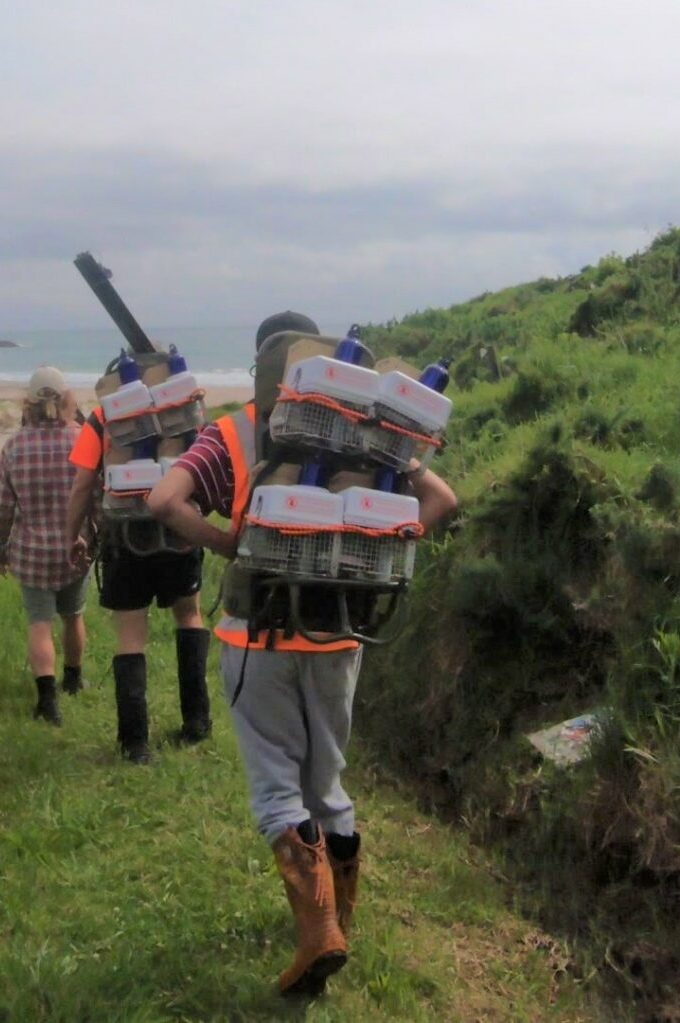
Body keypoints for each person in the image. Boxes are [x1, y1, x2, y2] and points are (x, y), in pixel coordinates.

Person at [145, 311, 459, 999]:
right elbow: (441, 498)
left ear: (267, 366)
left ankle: (319, 933)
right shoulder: (366, 435)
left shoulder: (232, 433)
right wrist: (366, 553)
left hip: (256, 634)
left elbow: (164, 499)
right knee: (329, 783)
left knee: (276, 788)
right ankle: (339, 916)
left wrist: (232, 544)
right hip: (342, 634)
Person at [64, 389, 211, 765]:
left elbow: (82, 485)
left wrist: (72, 535)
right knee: (190, 616)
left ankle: (135, 745)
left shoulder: (104, 416)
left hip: (125, 539)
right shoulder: (186, 408)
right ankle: (197, 722)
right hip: (179, 533)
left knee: (131, 636)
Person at [0, 365, 92, 724]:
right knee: (74, 616)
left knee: (39, 623)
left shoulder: (15, 446)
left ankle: (47, 703)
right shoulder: (83, 440)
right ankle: (75, 680)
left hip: (31, 553)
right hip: (76, 548)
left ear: (28, 403)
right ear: (67, 400)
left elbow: (1, 508)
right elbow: (97, 496)